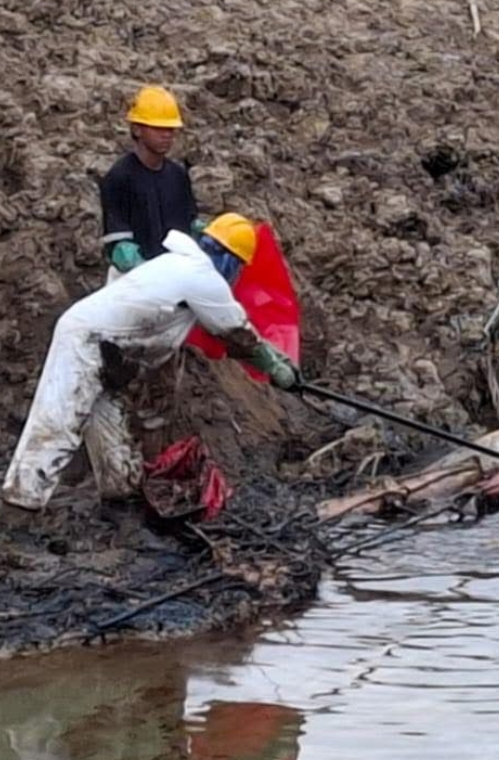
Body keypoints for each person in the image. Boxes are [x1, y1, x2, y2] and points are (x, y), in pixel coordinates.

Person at [1, 213, 299, 512]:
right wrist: (275, 368)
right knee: (61, 420)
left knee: (110, 429)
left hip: (113, 354)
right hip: (87, 341)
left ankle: (118, 490)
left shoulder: (179, 264)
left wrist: (276, 359)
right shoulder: (200, 275)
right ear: (228, 258)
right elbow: (237, 334)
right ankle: (21, 501)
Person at [99, 85, 204, 281]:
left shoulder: (177, 175)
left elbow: (188, 225)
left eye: (170, 129)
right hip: (133, 281)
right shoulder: (120, 177)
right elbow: (117, 239)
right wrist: (128, 257)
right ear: (137, 129)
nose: (167, 135)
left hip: (175, 277)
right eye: (158, 128)